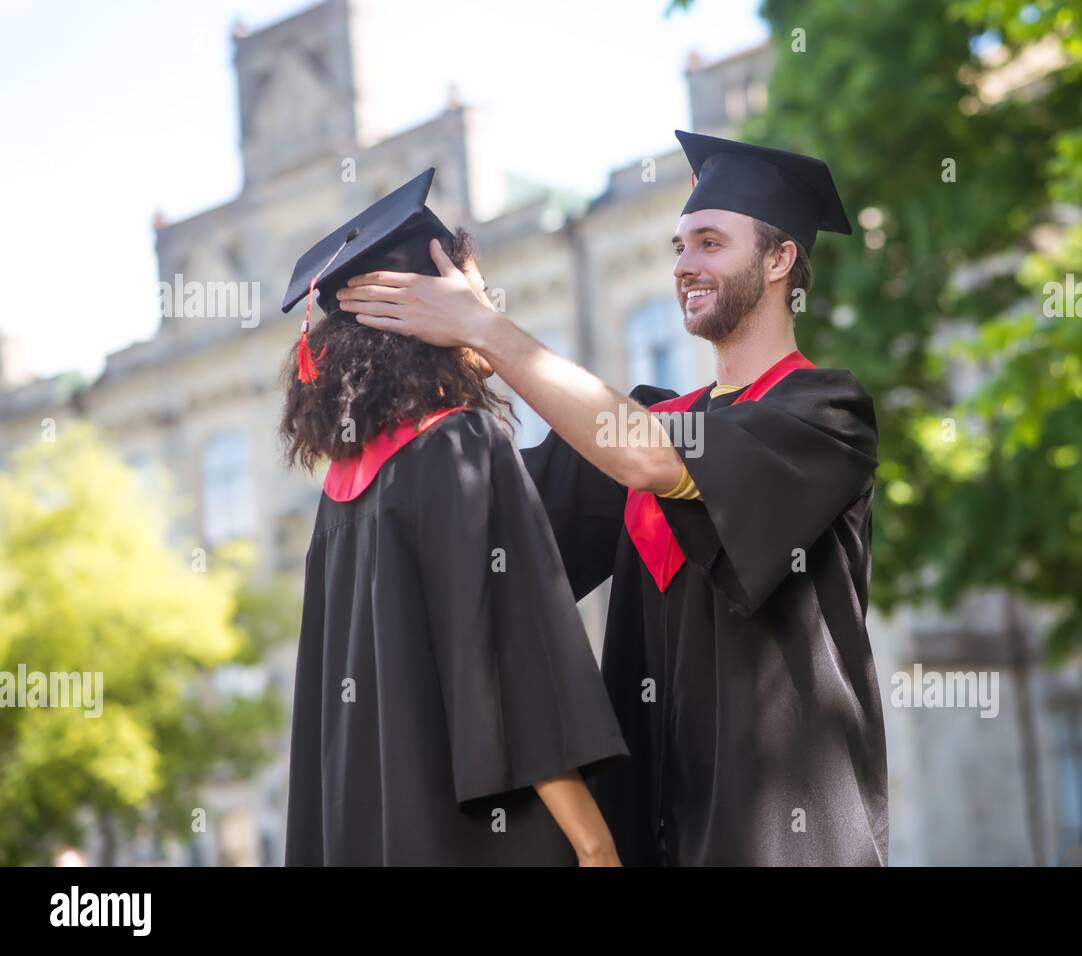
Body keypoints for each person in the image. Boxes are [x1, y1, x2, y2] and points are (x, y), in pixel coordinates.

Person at [340, 134, 887, 867]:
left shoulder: (824, 415)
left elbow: (649, 459)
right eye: (678, 246)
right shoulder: (656, 416)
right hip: (645, 833)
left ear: (780, 259)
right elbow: (483, 526)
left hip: (788, 839)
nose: (685, 265)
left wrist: (483, 325)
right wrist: (410, 360)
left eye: (710, 243)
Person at [280, 169, 627, 866]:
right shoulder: (461, 443)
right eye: (475, 291)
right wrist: (593, 843)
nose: (485, 307)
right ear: (433, 305)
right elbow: (514, 656)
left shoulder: (342, 494)